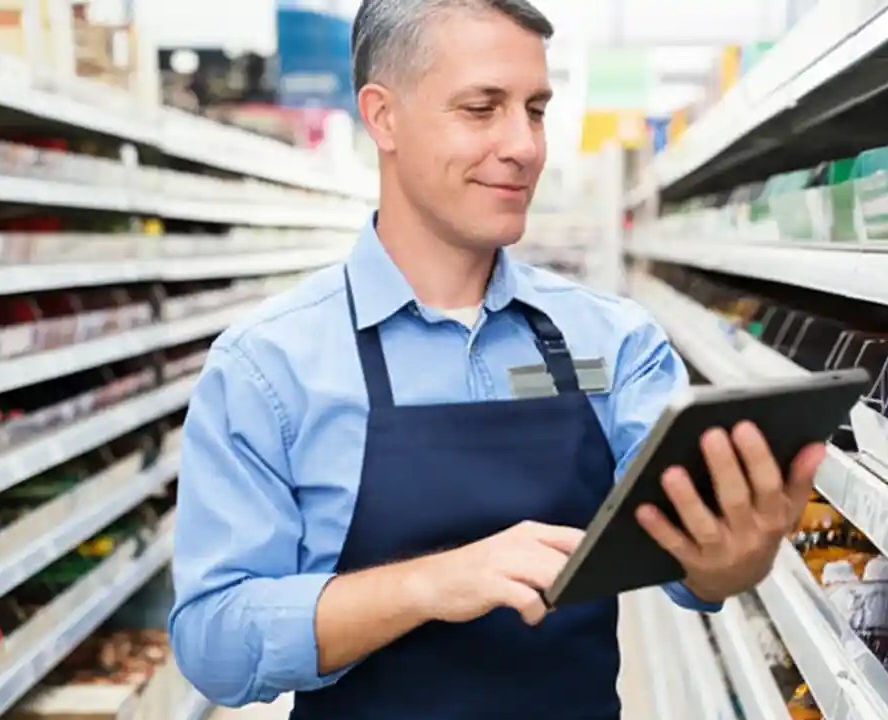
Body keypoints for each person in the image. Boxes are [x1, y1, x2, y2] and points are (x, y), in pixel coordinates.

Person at [168, 1, 825, 717]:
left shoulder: (611, 342)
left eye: (535, 110)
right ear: (383, 118)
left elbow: (691, 566)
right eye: (482, 109)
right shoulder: (269, 367)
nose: (524, 145)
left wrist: (732, 558)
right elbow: (214, 645)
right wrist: (430, 585)